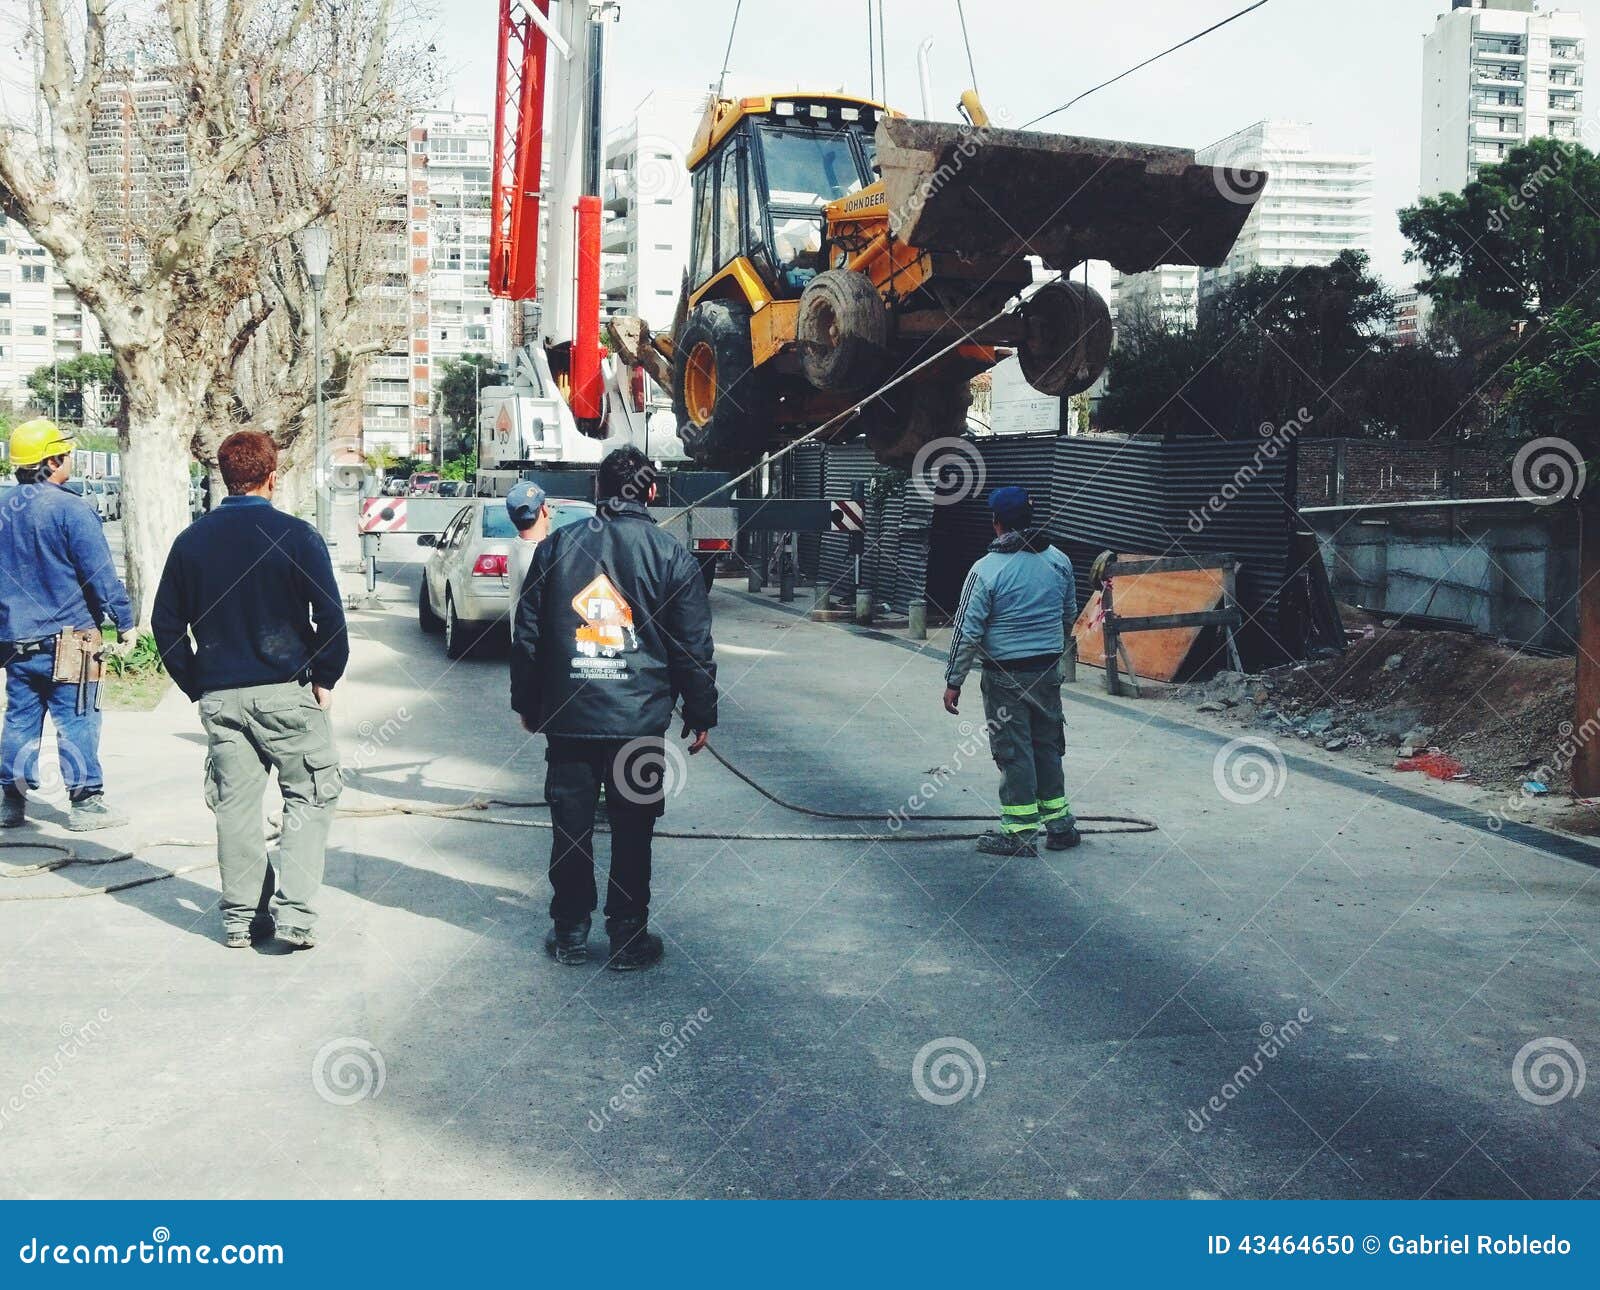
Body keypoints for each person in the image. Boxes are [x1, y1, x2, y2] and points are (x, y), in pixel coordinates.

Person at [511, 446, 717, 971]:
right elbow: (692, 647)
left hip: (572, 719)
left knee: (571, 826)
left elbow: (528, 637)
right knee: (633, 829)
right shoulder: (671, 555)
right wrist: (700, 712)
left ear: (597, 492)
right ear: (650, 492)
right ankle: (628, 937)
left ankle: (570, 932)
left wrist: (529, 704)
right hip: (639, 723)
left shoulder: (557, 547)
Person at [151, 430, 349, 950]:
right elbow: (330, 615)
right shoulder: (297, 536)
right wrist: (325, 676)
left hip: (221, 695)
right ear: (272, 476)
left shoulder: (190, 542)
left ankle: (241, 918)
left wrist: (197, 684)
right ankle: (295, 917)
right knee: (308, 795)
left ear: (224, 477)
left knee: (235, 807)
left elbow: (165, 624)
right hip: (287, 690)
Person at [0, 418, 136, 832]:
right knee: (77, 717)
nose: (71, 458)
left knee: (19, 719)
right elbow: (99, 575)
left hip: (14, 640)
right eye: (67, 452)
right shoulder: (71, 509)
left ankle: (9, 803)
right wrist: (124, 622)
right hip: (70, 640)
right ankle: (86, 804)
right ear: (53, 459)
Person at [943, 485, 1079, 856]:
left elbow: (967, 631)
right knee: (1048, 745)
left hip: (1006, 677)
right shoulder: (1059, 562)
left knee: (1015, 751)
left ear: (996, 523)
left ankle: (1019, 833)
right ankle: (1061, 826)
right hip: (1047, 672)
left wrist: (954, 680)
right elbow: (1069, 614)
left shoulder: (986, 570)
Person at [504, 480, 549, 634]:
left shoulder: (516, 546)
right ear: (544, 510)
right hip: (538, 649)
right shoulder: (540, 555)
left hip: (521, 643)